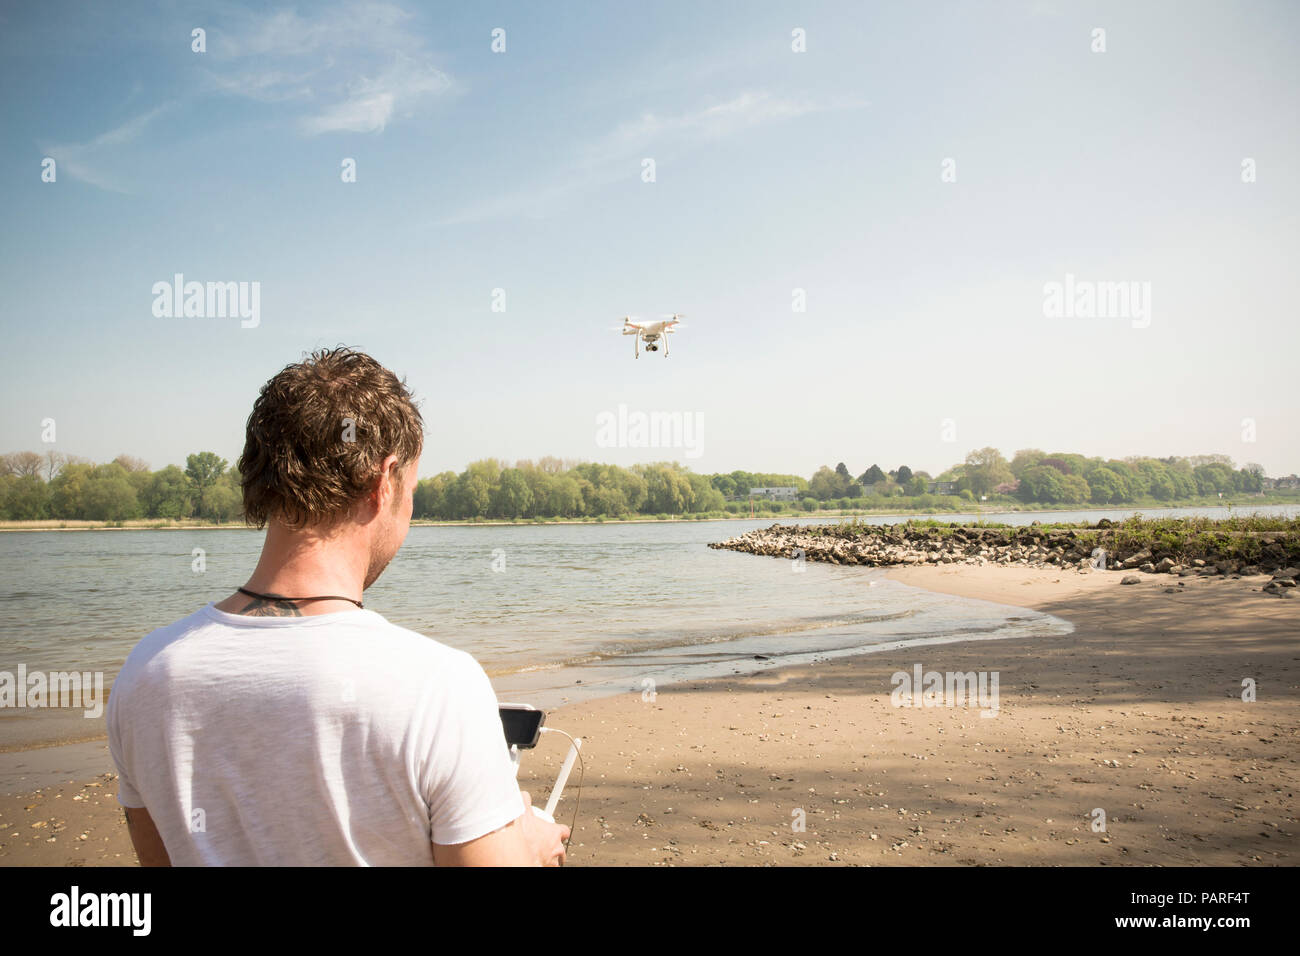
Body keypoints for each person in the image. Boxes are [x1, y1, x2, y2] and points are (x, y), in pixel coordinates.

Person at [106, 347, 569, 865]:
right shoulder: (440, 686)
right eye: (410, 490)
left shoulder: (144, 674)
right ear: (383, 481)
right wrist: (529, 849)